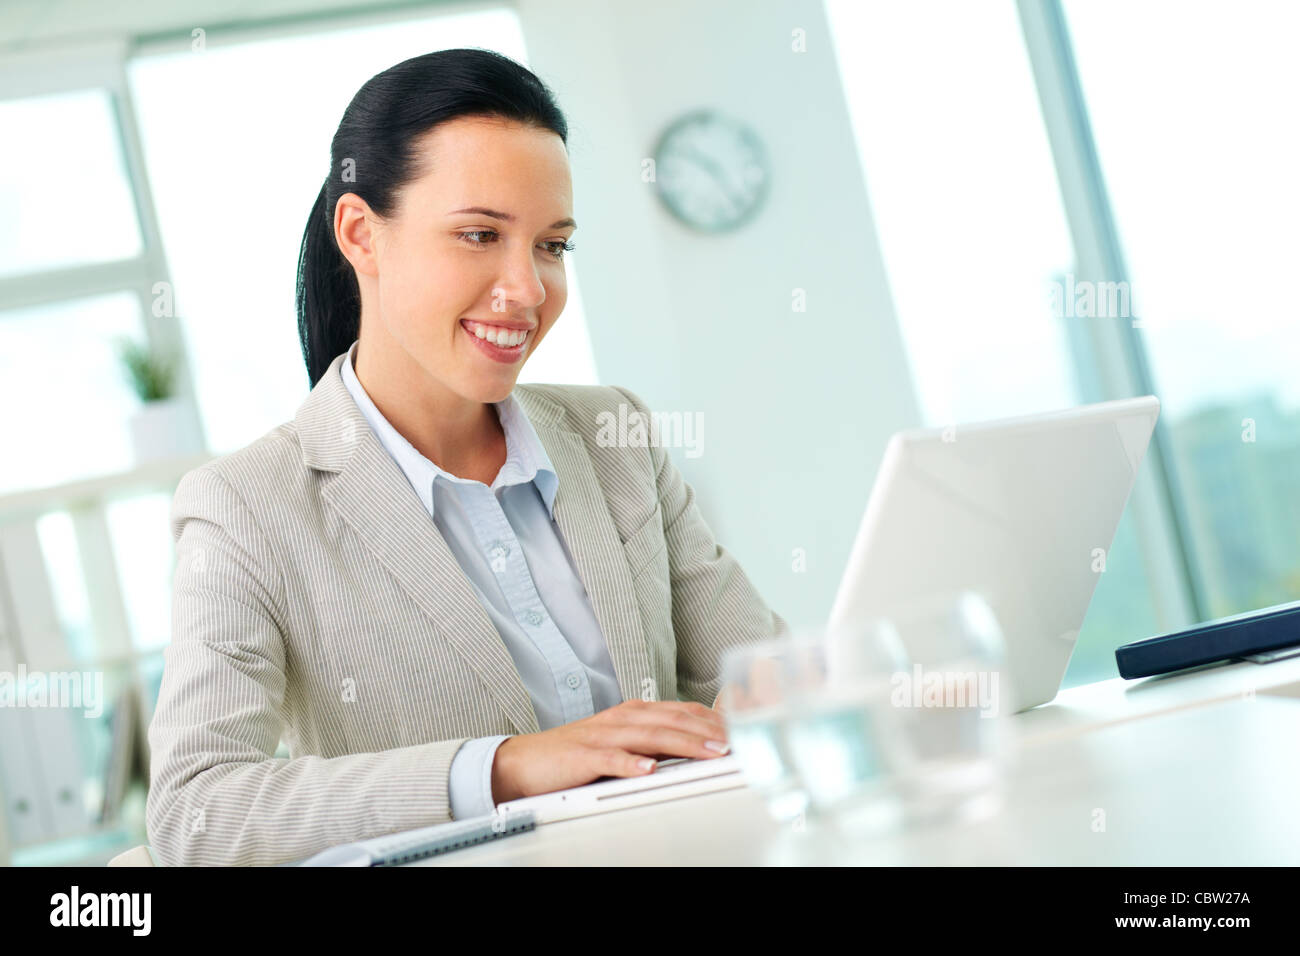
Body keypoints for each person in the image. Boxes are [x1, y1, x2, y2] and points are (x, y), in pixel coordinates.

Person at [145, 47, 787, 867]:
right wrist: (506, 767)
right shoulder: (247, 508)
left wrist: (763, 704)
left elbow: (758, 667)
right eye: (479, 234)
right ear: (361, 234)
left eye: (552, 246)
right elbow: (196, 813)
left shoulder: (612, 436)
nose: (526, 288)